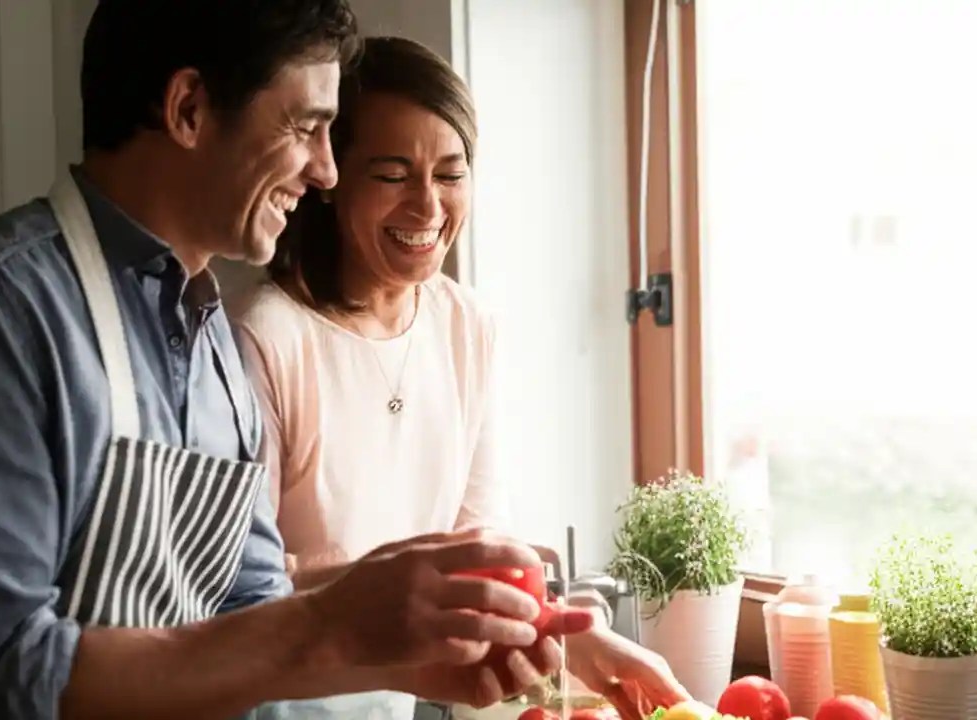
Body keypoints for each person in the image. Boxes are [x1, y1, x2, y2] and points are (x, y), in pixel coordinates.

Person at [0, 4, 593, 719]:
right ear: (189, 108)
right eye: (305, 127)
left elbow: (248, 610)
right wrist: (331, 626)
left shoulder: (208, 340)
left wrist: (407, 655)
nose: (325, 171)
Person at [233, 36, 689, 720]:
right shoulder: (261, 336)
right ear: (331, 179)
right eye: (391, 175)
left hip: (405, 704)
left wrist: (579, 639)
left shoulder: (465, 323)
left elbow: (477, 542)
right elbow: (241, 589)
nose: (427, 206)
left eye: (450, 174)